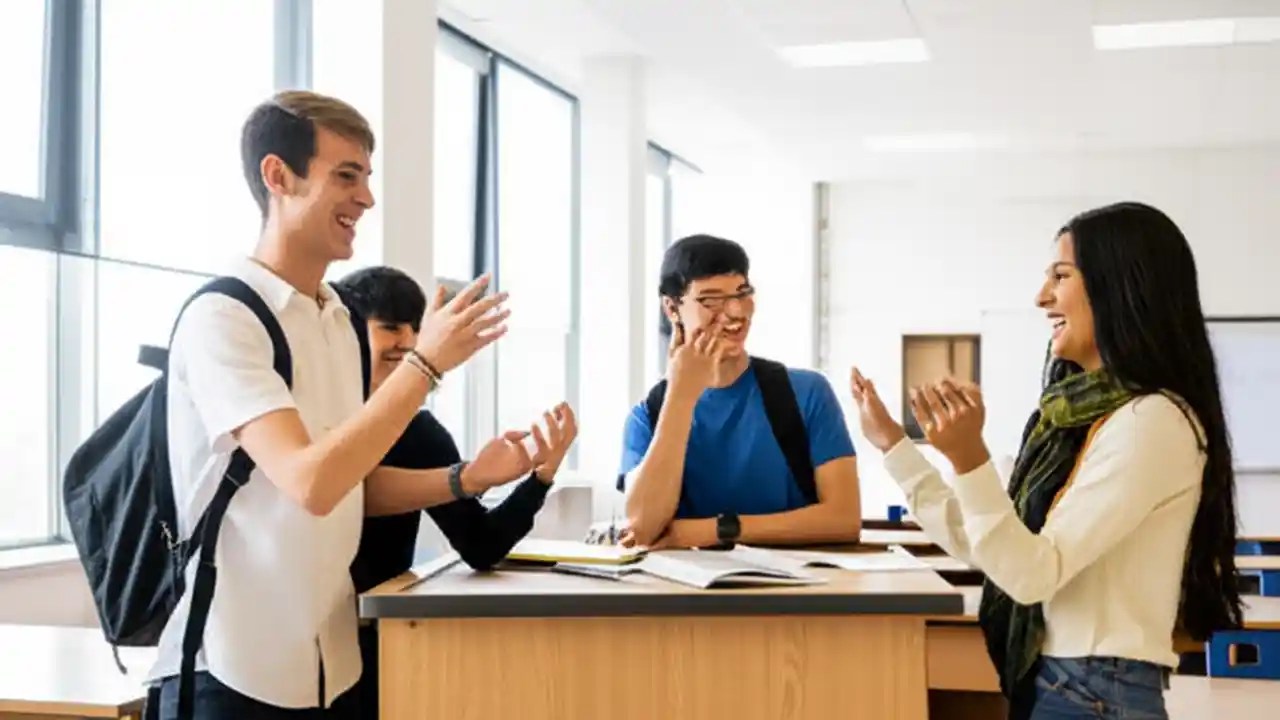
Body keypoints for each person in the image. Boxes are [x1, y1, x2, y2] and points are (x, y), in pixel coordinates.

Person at [146, 90, 549, 719]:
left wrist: (467, 477)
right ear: (278, 176)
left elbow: (350, 485)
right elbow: (311, 481)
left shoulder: (336, 318)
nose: (366, 198)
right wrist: (425, 365)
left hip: (331, 666)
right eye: (346, 176)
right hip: (233, 670)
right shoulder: (224, 318)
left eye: (367, 177)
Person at [849, 202, 1243, 720]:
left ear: (1118, 286)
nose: (1041, 298)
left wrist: (970, 460)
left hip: (1095, 690)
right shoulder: (1072, 421)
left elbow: (1031, 576)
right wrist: (896, 447)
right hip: (1067, 681)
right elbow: (989, 548)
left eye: (1061, 276)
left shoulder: (1153, 422)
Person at [332, 265, 577, 719]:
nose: (407, 342)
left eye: (416, 329)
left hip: (373, 641)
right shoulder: (315, 416)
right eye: (389, 327)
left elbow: (480, 544)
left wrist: (539, 478)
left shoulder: (421, 432)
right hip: (292, 641)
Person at [617, 234, 861, 549]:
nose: (735, 311)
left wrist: (715, 529)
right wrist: (680, 394)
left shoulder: (807, 392)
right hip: (684, 594)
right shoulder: (647, 416)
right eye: (711, 299)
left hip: (799, 591)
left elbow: (843, 520)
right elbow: (642, 529)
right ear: (672, 308)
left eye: (742, 293)